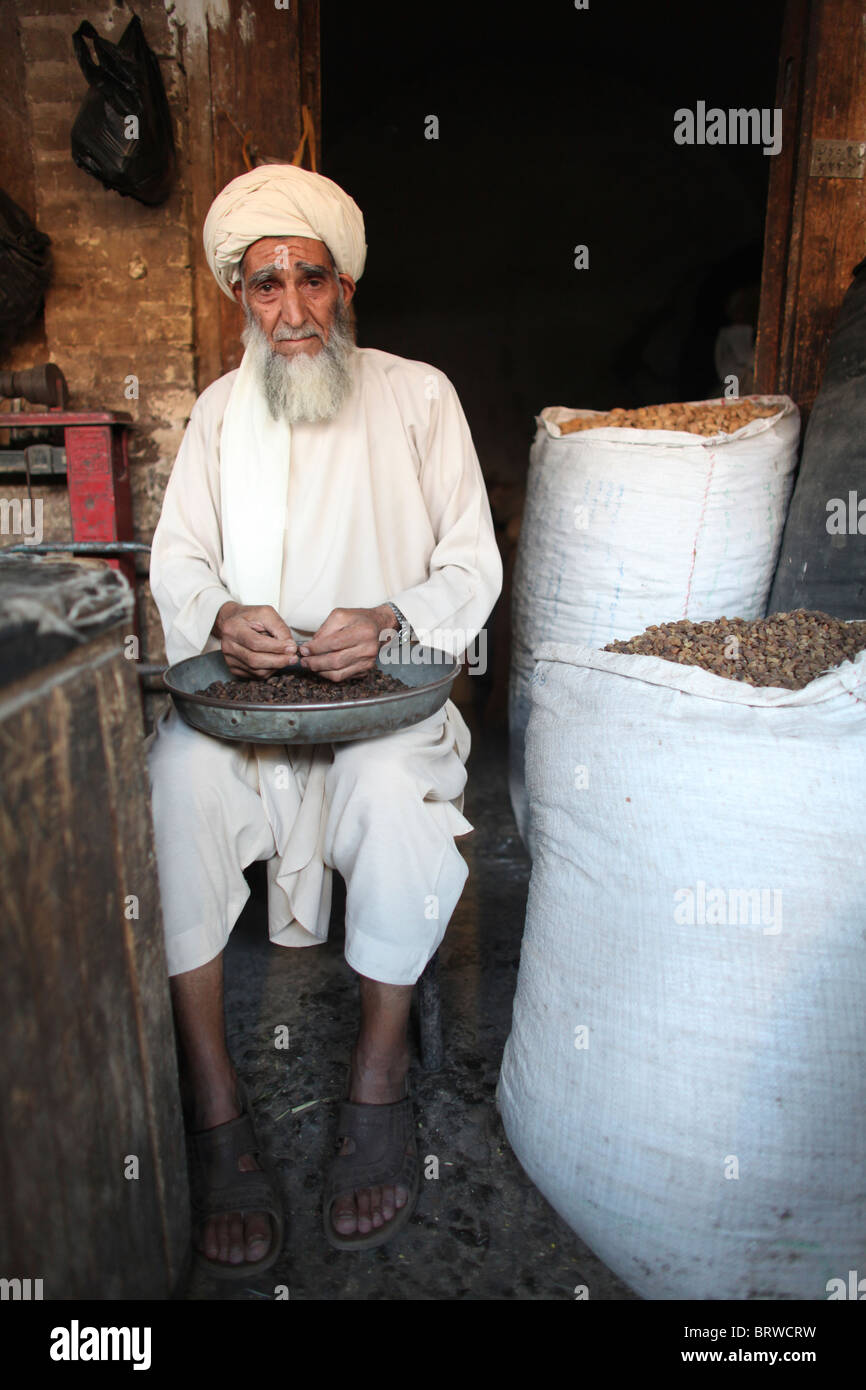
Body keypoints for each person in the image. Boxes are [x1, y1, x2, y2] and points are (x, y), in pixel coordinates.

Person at [146, 163, 503, 1276]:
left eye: (311, 278)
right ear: (238, 297)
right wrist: (219, 616)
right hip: (249, 715)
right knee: (171, 786)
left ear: (343, 285)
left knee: (397, 804)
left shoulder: (418, 396)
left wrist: (395, 620)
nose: (291, 309)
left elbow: (472, 562)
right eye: (265, 284)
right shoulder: (214, 413)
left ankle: (378, 1073)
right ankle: (212, 1094)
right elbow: (180, 563)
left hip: (382, 706)